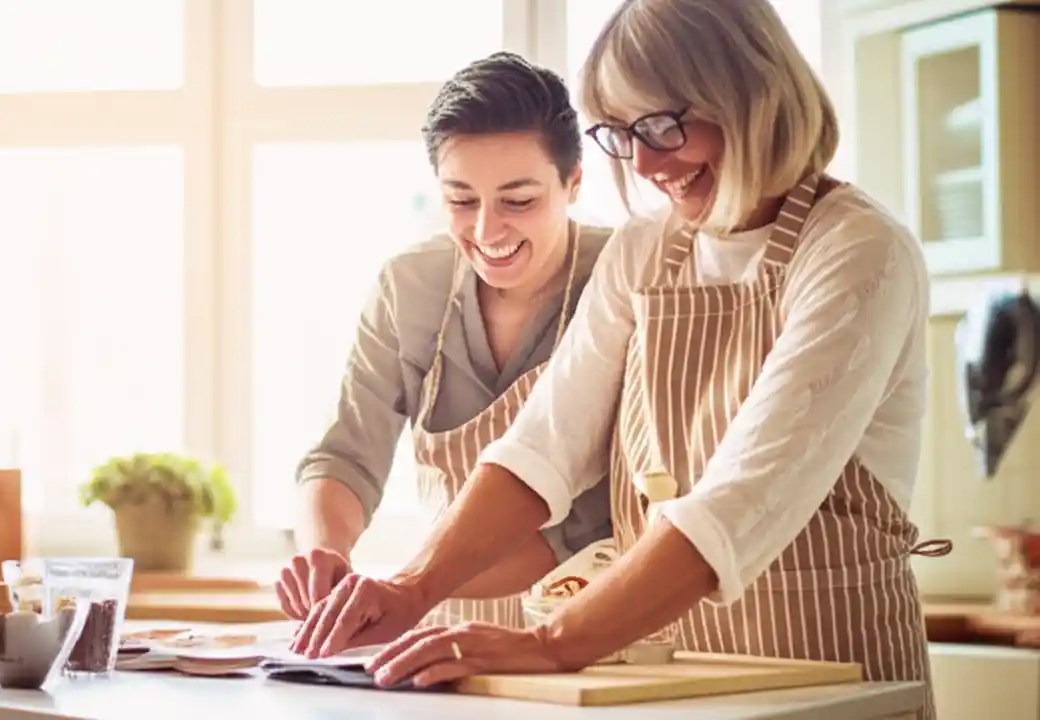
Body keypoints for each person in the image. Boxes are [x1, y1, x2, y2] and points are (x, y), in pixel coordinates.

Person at [290, 1, 950, 716]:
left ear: (752, 94)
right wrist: (410, 588)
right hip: (667, 675)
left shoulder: (856, 250)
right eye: (623, 134)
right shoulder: (647, 250)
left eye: (664, 126)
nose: (643, 162)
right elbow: (542, 448)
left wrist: (552, 642)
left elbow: (744, 498)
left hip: (834, 676)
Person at [274, 51, 614, 629]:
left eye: (519, 201)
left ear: (573, 182)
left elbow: (585, 523)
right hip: (436, 621)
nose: (486, 231)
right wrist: (324, 557)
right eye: (460, 200)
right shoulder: (411, 287)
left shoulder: (620, 279)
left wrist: (407, 588)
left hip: (588, 623)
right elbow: (347, 455)